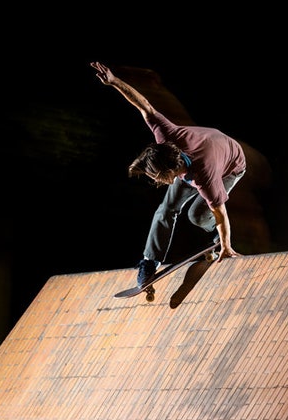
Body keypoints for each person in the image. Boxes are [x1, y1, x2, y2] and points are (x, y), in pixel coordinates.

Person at [91, 61, 246, 286]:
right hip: (193, 159)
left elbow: (220, 211)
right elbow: (144, 105)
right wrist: (114, 82)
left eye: (157, 178)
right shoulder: (166, 135)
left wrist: (226, 246)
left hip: (230, 165)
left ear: (170, 172)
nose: (155, 182)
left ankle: (216, 235)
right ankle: (150, 260)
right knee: (166, 209)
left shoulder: (205, 175)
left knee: (197, 215)